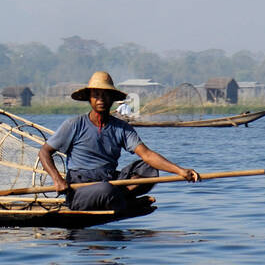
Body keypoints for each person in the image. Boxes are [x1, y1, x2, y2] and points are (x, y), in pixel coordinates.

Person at [38, 71, 201, 212]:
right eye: (96, 95)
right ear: (90, 99)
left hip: (110, 179)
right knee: (106, 189)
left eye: (105, 95)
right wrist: (57, 179)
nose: (101, 99)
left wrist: (180, 171)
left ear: (112, 99)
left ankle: (118, 197)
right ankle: (118, 198)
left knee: (150, 170)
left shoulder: (121, 127)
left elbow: (147, 155)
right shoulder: (74, 125)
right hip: (81, 189)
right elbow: (44, 152)